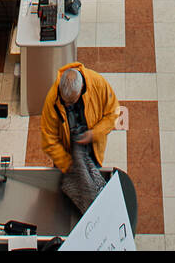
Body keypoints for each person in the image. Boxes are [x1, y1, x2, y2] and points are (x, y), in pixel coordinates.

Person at [40, 62, 120, 216]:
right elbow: (49, 138)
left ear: (81, 89)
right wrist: (68, 164)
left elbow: (114, 114)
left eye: (71, 101)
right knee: (65, 205)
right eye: (65, 102)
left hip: (92, 153)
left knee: (90, 192)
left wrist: (94, 134)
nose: (67, 105)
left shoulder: (98, 84)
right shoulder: (53, 99)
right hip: (66, 159)